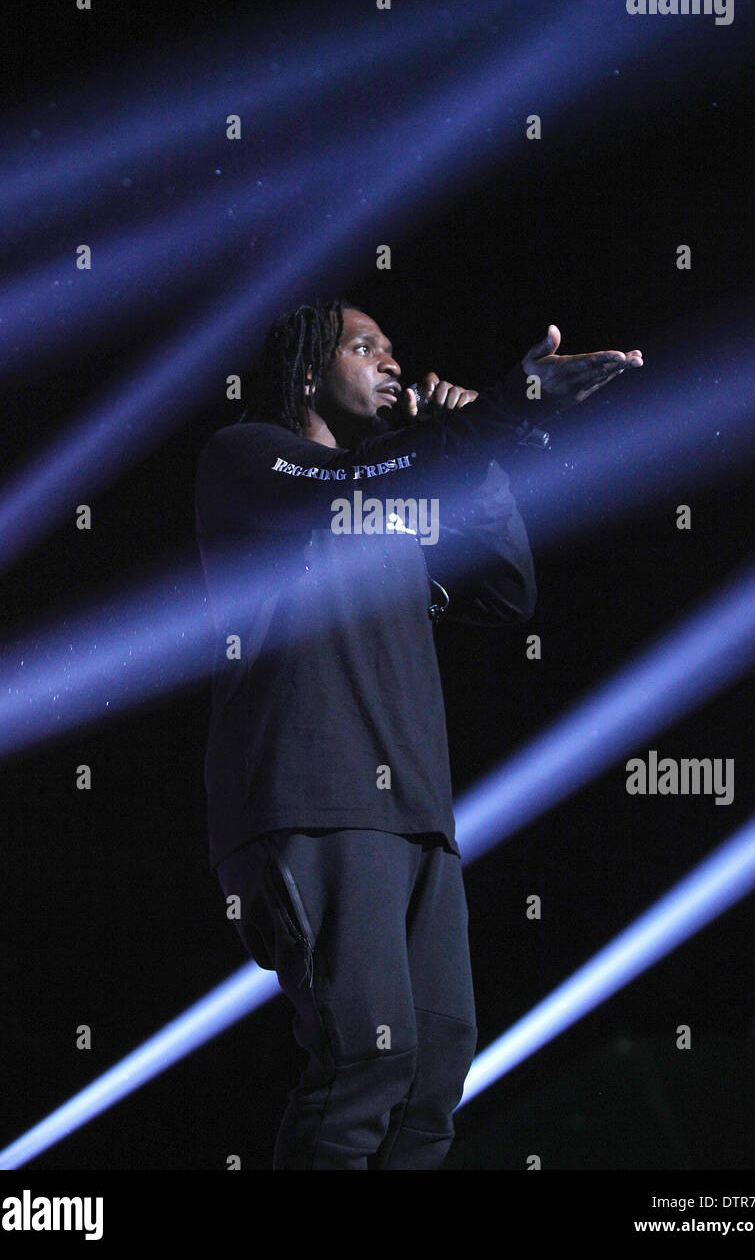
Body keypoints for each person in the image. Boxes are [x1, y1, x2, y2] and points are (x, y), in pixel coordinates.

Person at [194, 298, 642, 1169]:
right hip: (313, 795)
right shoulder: (248, 460)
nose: (393, 365)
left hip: (418, 816)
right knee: (366, 1057)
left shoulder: (392, 502)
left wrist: (481, 444)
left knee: (434, 1072)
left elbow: (508, 591)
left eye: (395, 350)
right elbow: (347, 486)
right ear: (306, 372)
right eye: (366, 349)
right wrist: (501, 413)